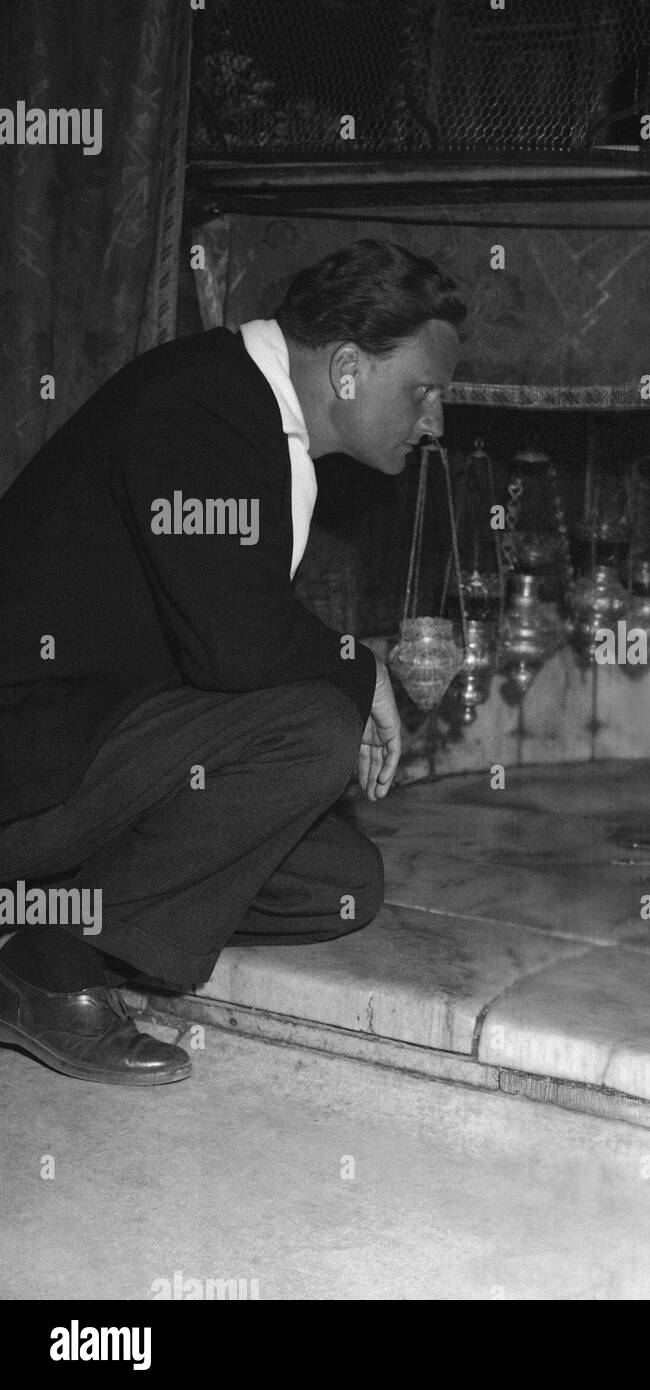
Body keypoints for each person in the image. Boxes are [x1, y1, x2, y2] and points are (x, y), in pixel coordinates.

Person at [0, 239, 465, 1085]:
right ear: (350, 368)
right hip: (31, 760)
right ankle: (46, 965)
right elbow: (236, 644)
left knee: (342, 885)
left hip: (88, 757)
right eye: (424, 391)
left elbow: (226, 625)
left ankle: (44, 904)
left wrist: (341, 664)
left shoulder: (251, 416)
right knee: (315, 727)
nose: (434, 424)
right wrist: (358, 669)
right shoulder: (200, 406)